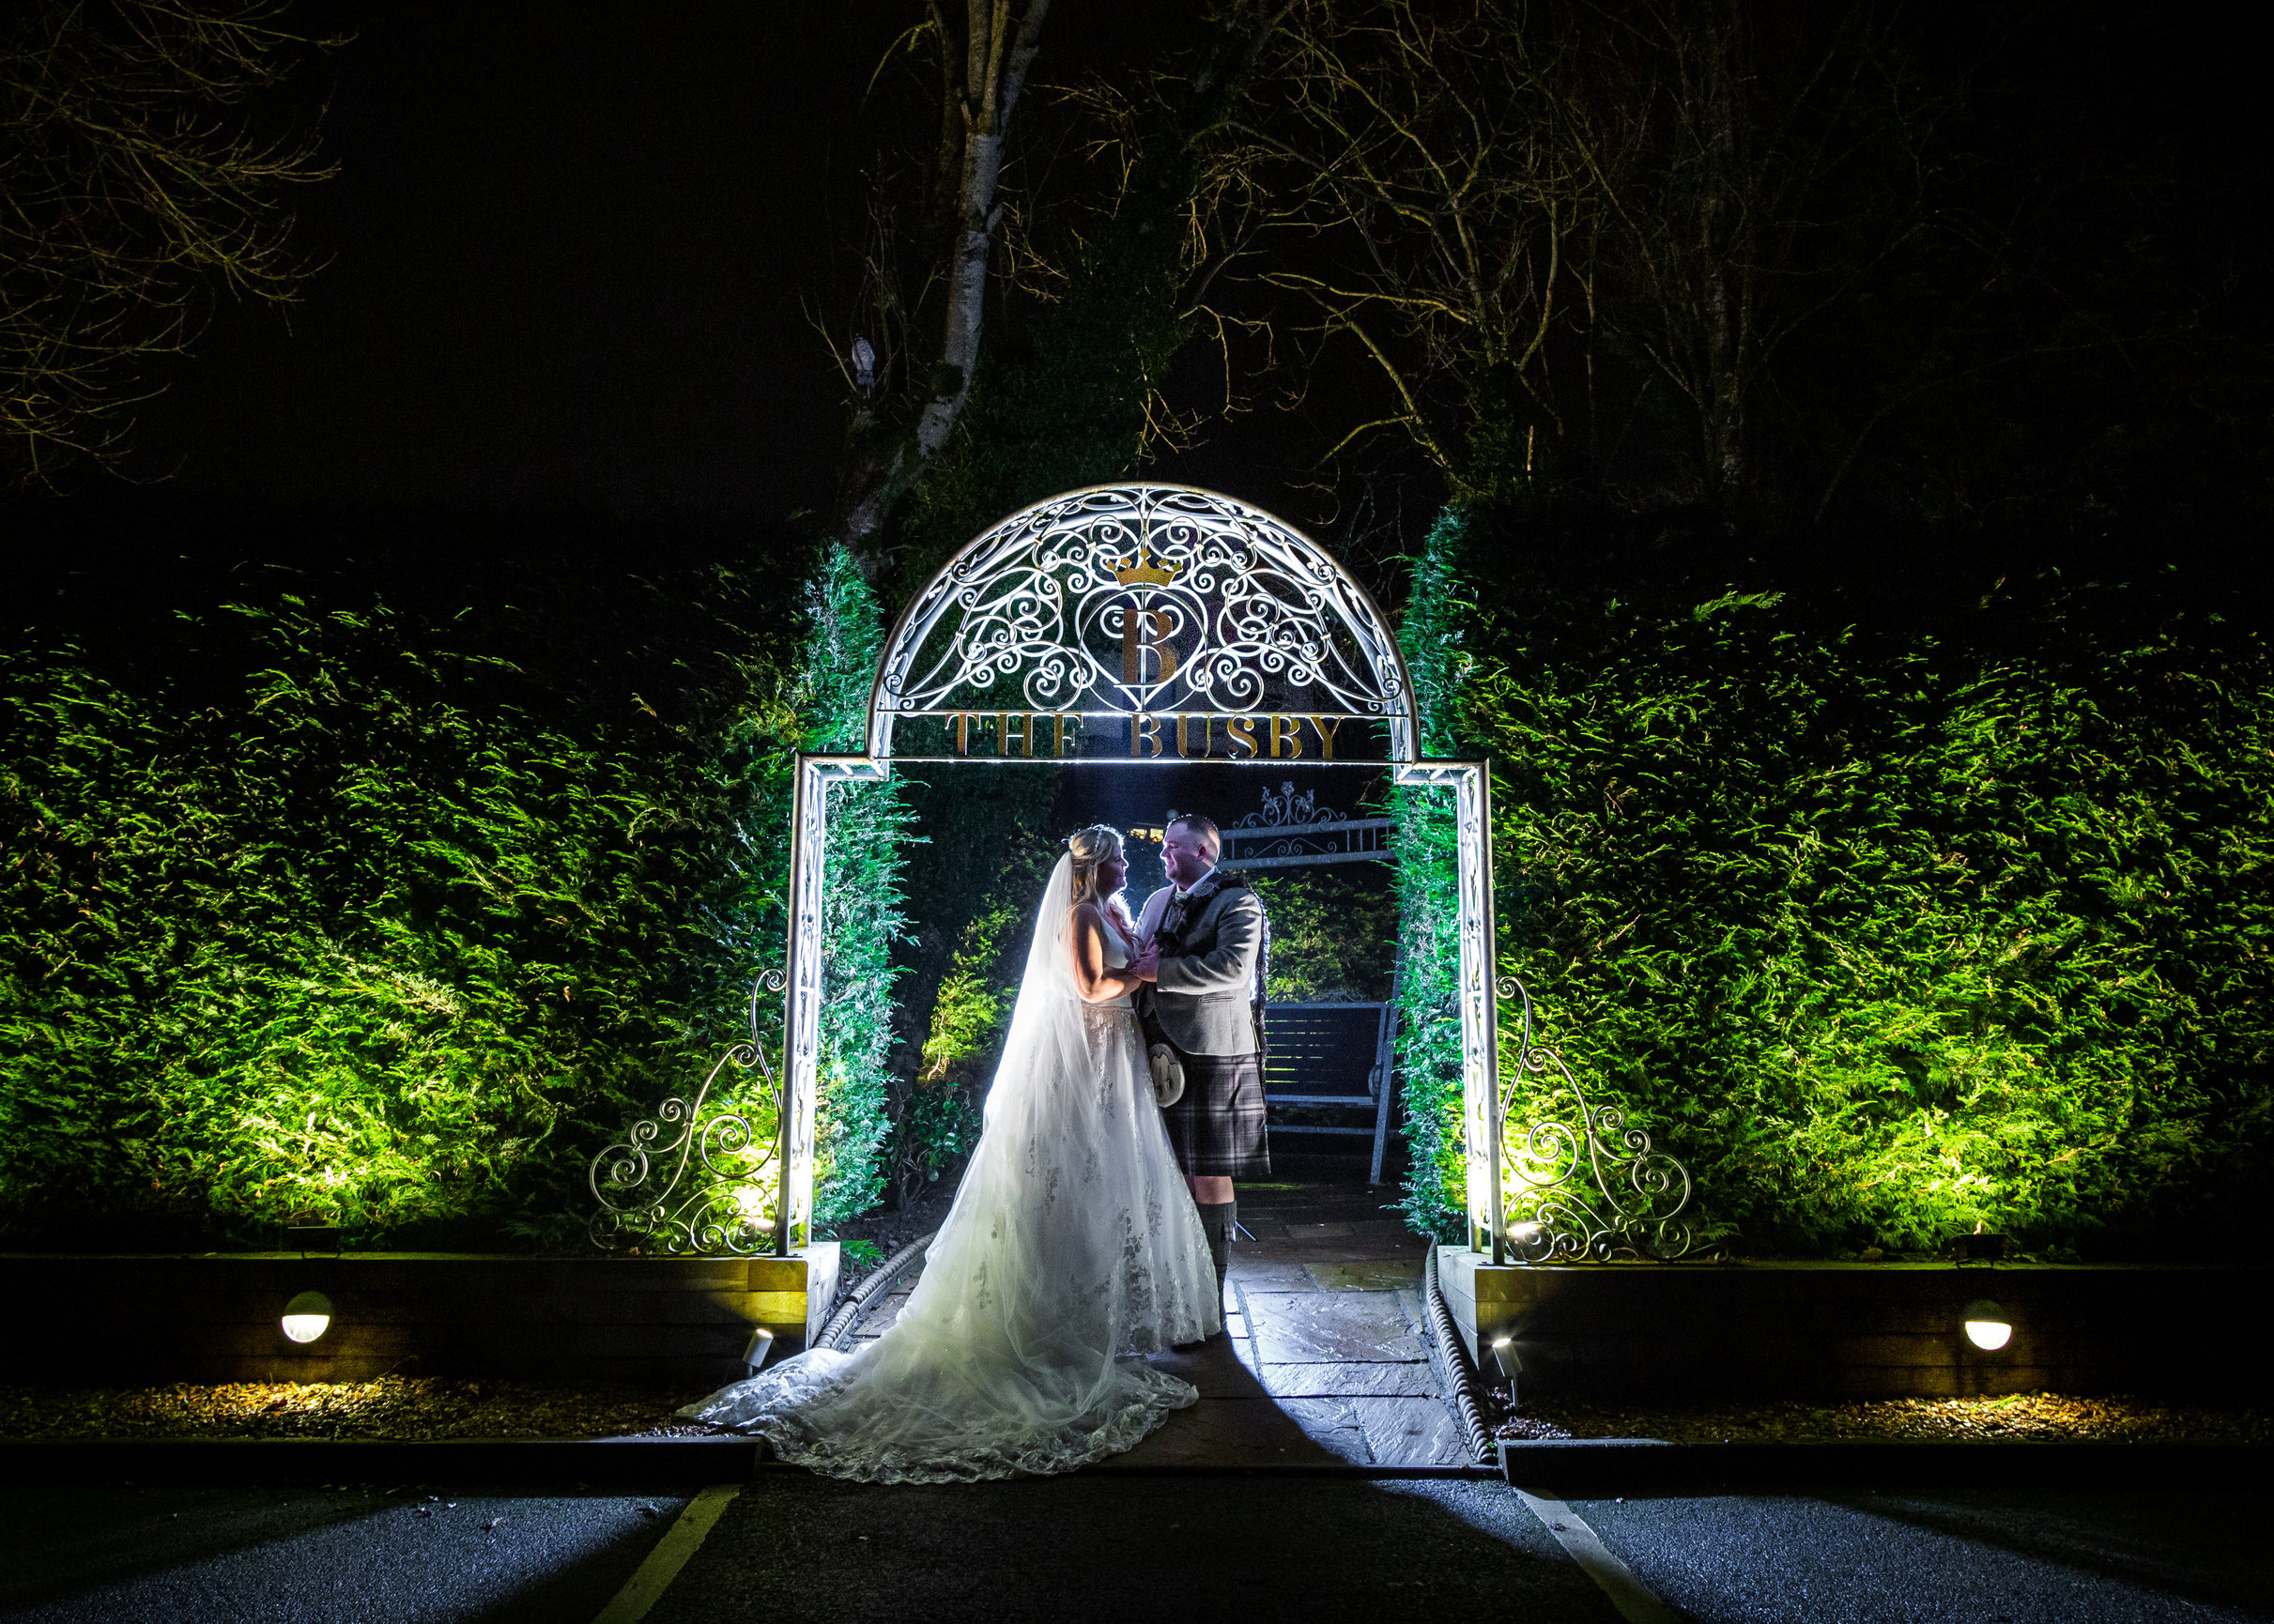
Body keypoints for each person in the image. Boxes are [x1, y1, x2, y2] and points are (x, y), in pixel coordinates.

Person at [678, 825, 1221, 1482]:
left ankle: (1079, 1312)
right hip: (1084, 1060)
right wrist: (1139, 975)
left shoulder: (1109, 911)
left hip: (1108, 1060)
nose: (1127, 868)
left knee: (1094, 1184)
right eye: (1119, 861)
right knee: (1061, 1180)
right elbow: (1087, 988)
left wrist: (1136, 957)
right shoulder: (1079, 915)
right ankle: (1042, 1326)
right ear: (1094, 868)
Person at [1133, 812, 1269, 1295]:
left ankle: (1210, 1289)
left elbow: (1233, 970)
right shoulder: (1155, 901)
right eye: (1164, 845)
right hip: (1157, 1048)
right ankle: (1182, 1283)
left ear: (1202, 853)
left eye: (1172, 846)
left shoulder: (1238, 902)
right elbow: (1137, 954)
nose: (1163, 853)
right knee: (1175, 1169)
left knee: (1209, 1171)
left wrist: (1160, 972)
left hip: (1212, 1050)